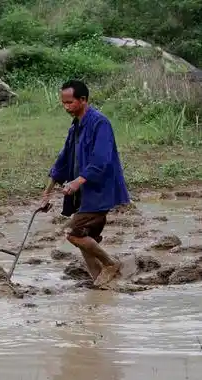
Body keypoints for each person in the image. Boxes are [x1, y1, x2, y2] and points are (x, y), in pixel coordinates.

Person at [40, 80, 131, 287]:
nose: (66, 107)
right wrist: (46, 194)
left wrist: (77, 182)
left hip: (99, 191)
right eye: (63, 103)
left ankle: (110, 264)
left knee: (73, 234)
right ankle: (101, 284)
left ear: (83, 100)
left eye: (70, 102)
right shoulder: (75, 128)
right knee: (85, 241)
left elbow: (101, 160)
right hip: (83, 194)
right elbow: (62, 162)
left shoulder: (100, 123)